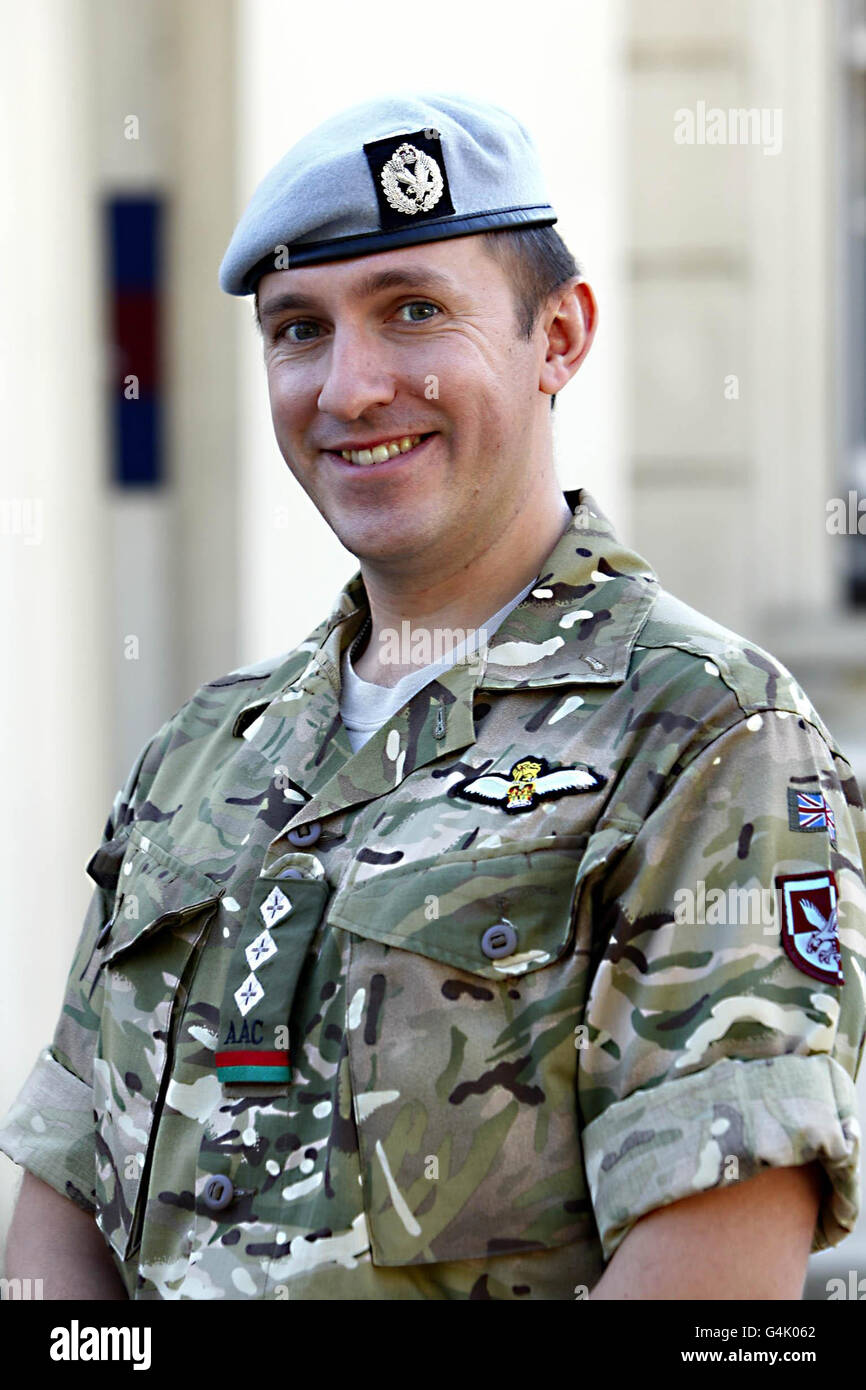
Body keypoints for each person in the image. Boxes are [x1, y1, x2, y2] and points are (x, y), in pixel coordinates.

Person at [2, 91, 864, 1302]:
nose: (349, 389)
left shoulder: (707, 734)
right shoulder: (201, 754)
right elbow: (66, 1198)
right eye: (298, 329)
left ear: (557, 337)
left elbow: (709, 1274)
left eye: (412, 312)